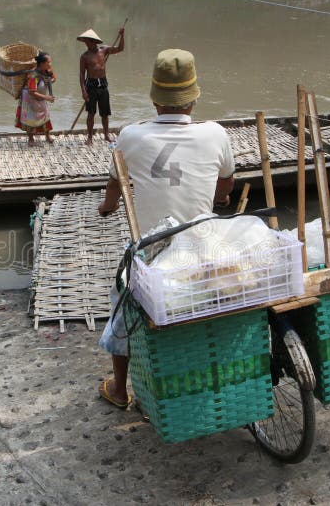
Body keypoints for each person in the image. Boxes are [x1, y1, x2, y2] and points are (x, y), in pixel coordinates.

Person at [96, 49, 235, 408]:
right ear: (193, 99)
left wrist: (107, 207)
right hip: (201, 246)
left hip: (153, 250)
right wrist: (219, 199)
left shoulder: (130, 135)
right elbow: (226, 183)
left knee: (122, 303)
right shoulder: (215, 133)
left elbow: (114, 184)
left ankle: (119, 389)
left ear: (155, 100)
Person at [78, 27, 124, 145]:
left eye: (87, 42)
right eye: (85, 42)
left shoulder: (104, 50)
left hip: (103, 84)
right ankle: (89, 137)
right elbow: (82, 74)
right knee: (91, 113)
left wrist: (122, 35)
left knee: (105, 113)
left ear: (93, 41)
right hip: (91, 85)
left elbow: (120, 49)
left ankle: (106, 135)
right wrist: (83, 91)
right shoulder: (84, 56)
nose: (86, 44)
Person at [15, 52, 56, 146]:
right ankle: (31, 138)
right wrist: (47, 98)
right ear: (42, 63)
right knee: (31, 118)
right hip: (30, 98)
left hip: (41, 95)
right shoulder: (33, 75)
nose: (50, 64)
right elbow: (32, 92)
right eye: (48, 62)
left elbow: (54, 78)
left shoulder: (48, 70)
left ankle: (47, 136)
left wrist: (49, 80)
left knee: (45, 116)